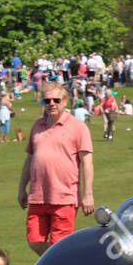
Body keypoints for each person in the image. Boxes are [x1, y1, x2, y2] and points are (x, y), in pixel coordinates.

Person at [18, 84, 94, 255]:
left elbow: (87, 162)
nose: (51, 103)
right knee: (35, 241)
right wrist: (22, 188)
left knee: (59, 246)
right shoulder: (37, 126)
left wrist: (87, 194)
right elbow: (29, 159)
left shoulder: (78, 127)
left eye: (56, 100)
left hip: (64, 197)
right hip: (38, 196)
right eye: (47, 100)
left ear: (65, 101)